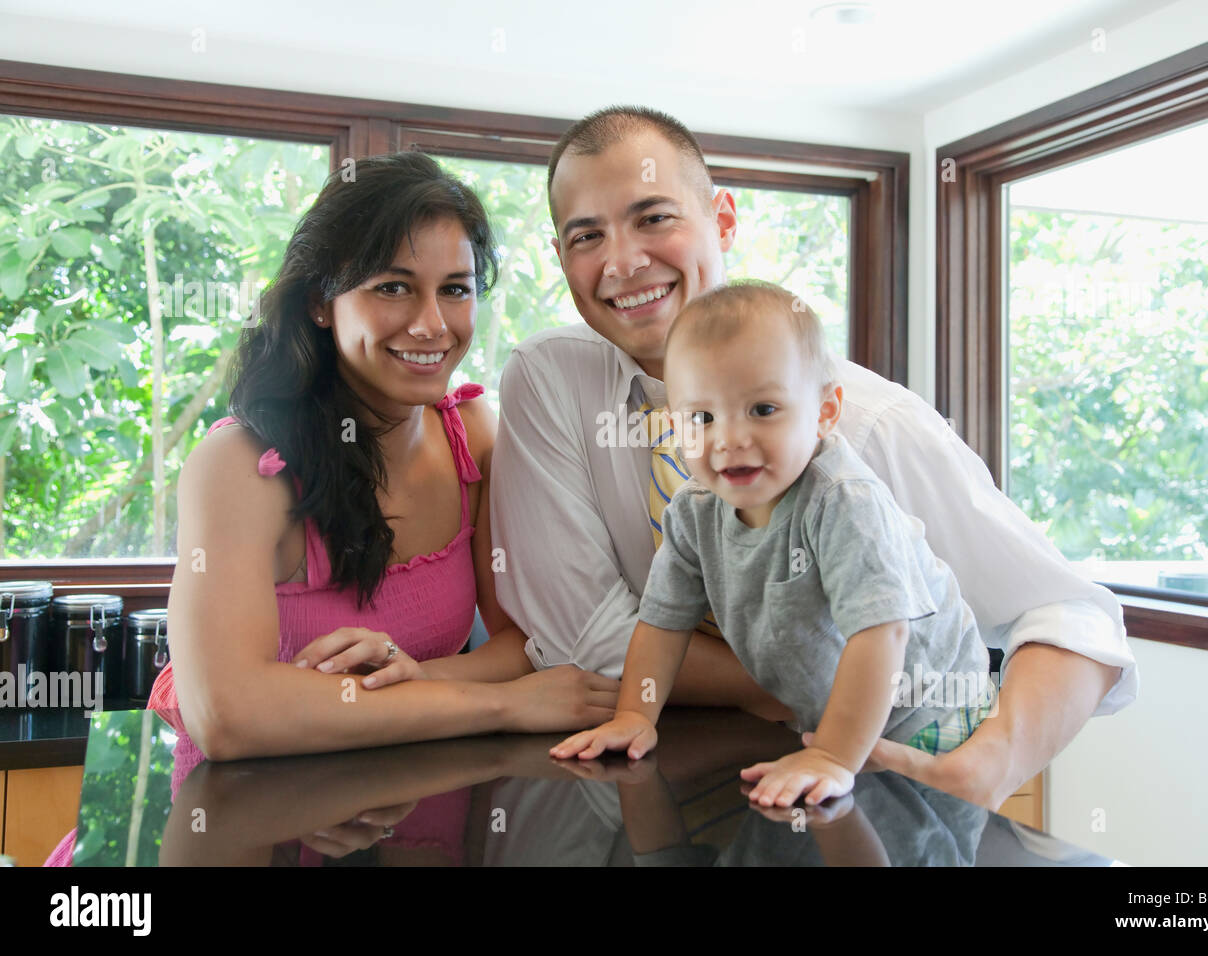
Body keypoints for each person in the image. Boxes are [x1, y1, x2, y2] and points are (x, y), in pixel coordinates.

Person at [491, 105, 1138, 810]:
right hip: (714, 782)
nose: (622, 262)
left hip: (905, 762)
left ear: (724, 220)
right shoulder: (559, 385)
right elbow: (591, 631)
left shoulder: (868, 431)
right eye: (588, 235)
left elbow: (1069, 611)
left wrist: (997, 758)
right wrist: (679, 705)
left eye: (653, 218)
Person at [152, 151, 619, 762]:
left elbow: (523, 644)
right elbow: (227, 713)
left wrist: (404, 683)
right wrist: (507, 704)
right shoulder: (241, 466)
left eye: (455, 290)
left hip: (416, 806)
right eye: (393, 287)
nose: (432, 324)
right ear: (322, 303)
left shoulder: (472, 436)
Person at [551, 281, 993, 808]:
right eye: (703, 417)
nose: (729, 439)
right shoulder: (695, 510)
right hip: (833, 721)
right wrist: (634, 715)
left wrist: (832, 753)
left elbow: (884, 632)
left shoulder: (841, 500)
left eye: (762, 410)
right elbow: (662, 621)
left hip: (928, 712)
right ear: (674, 424)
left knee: (905, 837)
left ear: (826, 411)